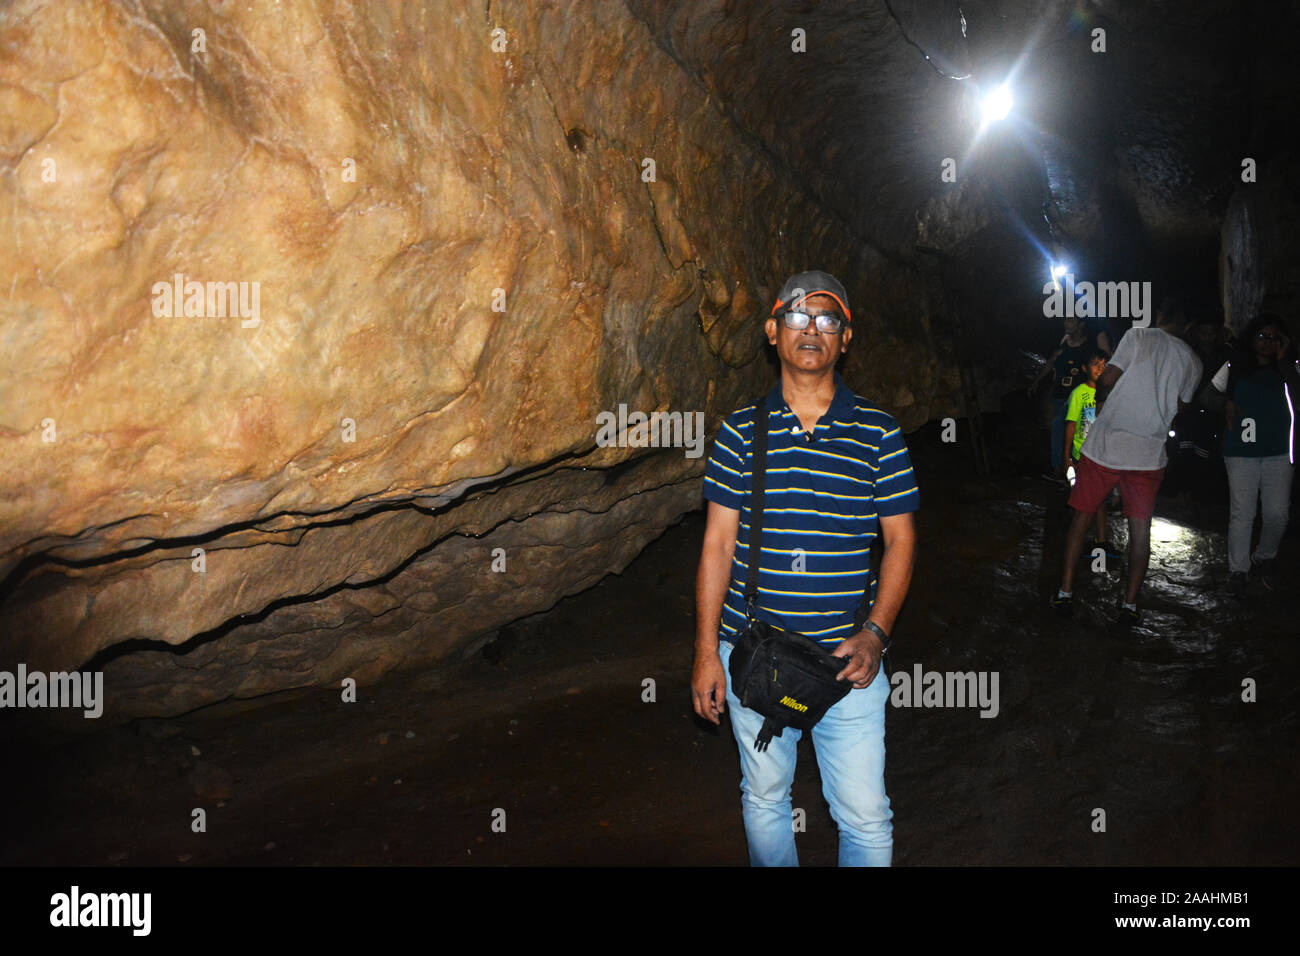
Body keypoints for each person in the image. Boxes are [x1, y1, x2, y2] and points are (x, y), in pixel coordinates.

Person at [692, 270, 919, 867]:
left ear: (846, 338)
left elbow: (899, 541)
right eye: (797, 317)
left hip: (848, 665)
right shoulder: (740, 432)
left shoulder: (878, 432)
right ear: (773, 332)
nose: (811, 330)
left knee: (866, 815)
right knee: (766, 795)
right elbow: (717, 545)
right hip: (757, 653)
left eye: (827, 319)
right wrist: (705, 650)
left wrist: (876, 632)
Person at [1052, 305, 1202, 626]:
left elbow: (1107, 378)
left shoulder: (1138, 336)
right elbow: (1182, 406)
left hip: (1107, 444)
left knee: (1082, 517)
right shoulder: (1193, 361)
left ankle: (1065, 592)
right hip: (1148, 454)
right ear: (1186, 326)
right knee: (1140, 529)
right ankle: (1130, 604)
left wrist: (1105, 396)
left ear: (1160, 317)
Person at [1209, 314, 1299, 596]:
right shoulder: (1235, 366)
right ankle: (1238, 570)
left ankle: (1264, 555)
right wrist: (1225, 403)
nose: (1267, 342)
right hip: (1241, 452)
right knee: (1242, 513)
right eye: (1262, 336)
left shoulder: (1290, 368)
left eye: (1274, 337)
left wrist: (1285, 364)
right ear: (1252, 338)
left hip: (1279, 452)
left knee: (1277, 514)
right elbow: (1206, 396)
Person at [1061, 347, 1118, 560]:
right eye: (1095, 364)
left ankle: (1100, 543)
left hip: (1101, 455)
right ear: (1085, 368)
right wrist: (1066, 458)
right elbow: (1071, 425)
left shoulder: (1112, 393)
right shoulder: (1079, 393)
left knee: (1100, 500)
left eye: (1104, 365)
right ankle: (1076, 542)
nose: (1100, 369)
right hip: (1081, 457)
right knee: (1080, 502)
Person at [1029, 315, 1097, 481]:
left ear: (1080, 325)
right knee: (1058, 429)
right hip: (1061, 396)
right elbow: (1051, 363)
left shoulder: (1088, 348)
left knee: (1080, 434)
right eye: (1065, 320)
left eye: (1071, 321)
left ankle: (1080, 470)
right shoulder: (1062, 346)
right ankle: (1058, 468)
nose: (1066, 324)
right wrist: (1036, 381)